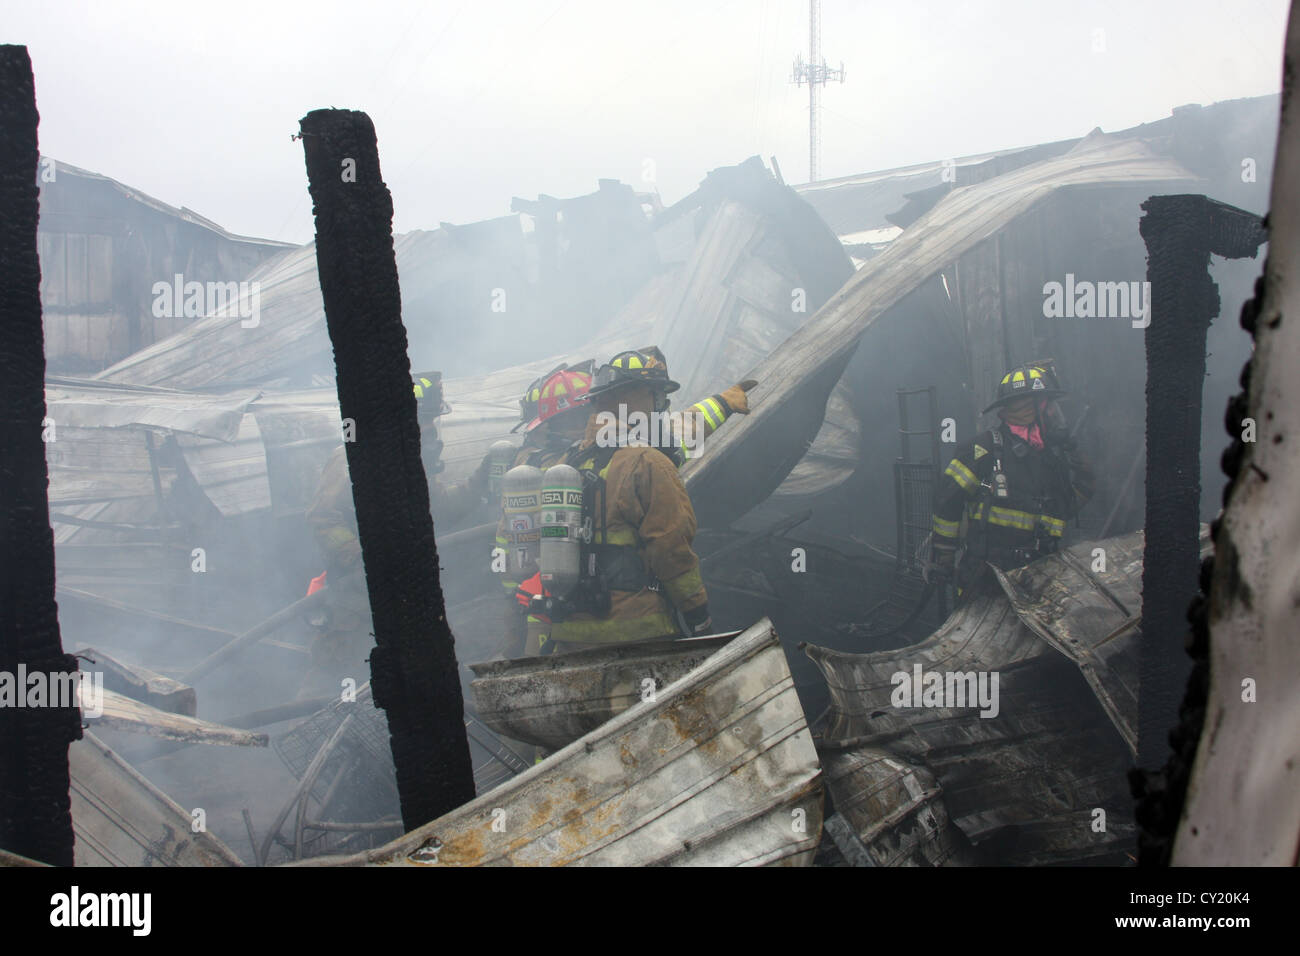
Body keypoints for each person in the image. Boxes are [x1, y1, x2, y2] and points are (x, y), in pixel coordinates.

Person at [300, 371, 485, 697]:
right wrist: (359, 556)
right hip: (355, 600)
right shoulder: (352, 456)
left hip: (410, 596)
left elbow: (440, 506)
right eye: (424, 421)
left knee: (420, 684)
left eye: (430, 421)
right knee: (335, 685)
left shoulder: (412, 462)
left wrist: (480, 482)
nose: (429, 430)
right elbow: (322, 517)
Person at [518, 348, 714, 654]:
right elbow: (671, 550)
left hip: (571, 635)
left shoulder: (566, 464)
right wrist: (698, 615)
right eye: (658, 398)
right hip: (637, 632)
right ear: (638, 399)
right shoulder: (648, 463)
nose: (660, 407)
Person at [929, 362, 1094, 594]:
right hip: (985, 580)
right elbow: (947, 502)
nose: (1053, 414)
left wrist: (1083, 471)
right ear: (1028, 408)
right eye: (1049, 407)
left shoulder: (1049, 458)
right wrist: (943, 557)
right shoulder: (984, 449)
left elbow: (1064, 509)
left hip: (1038, 580)